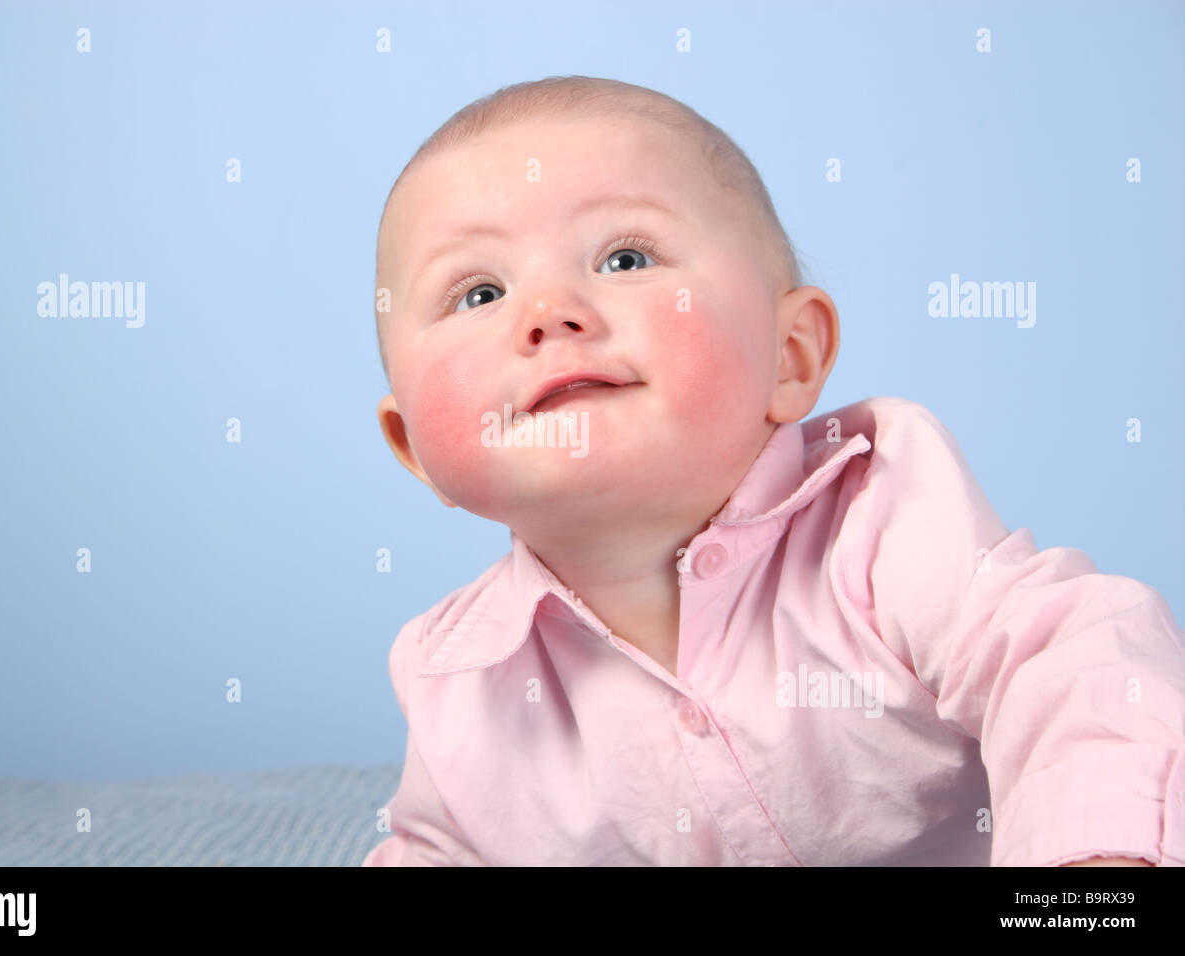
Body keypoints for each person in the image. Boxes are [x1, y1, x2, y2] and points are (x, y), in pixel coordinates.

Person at [362, 75, 1184, 866]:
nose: (549, 313)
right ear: (414, 450)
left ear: (790, 356)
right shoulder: (457, 683)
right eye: (477, 293)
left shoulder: (880, 517)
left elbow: (1072, 663)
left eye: (623, 259)